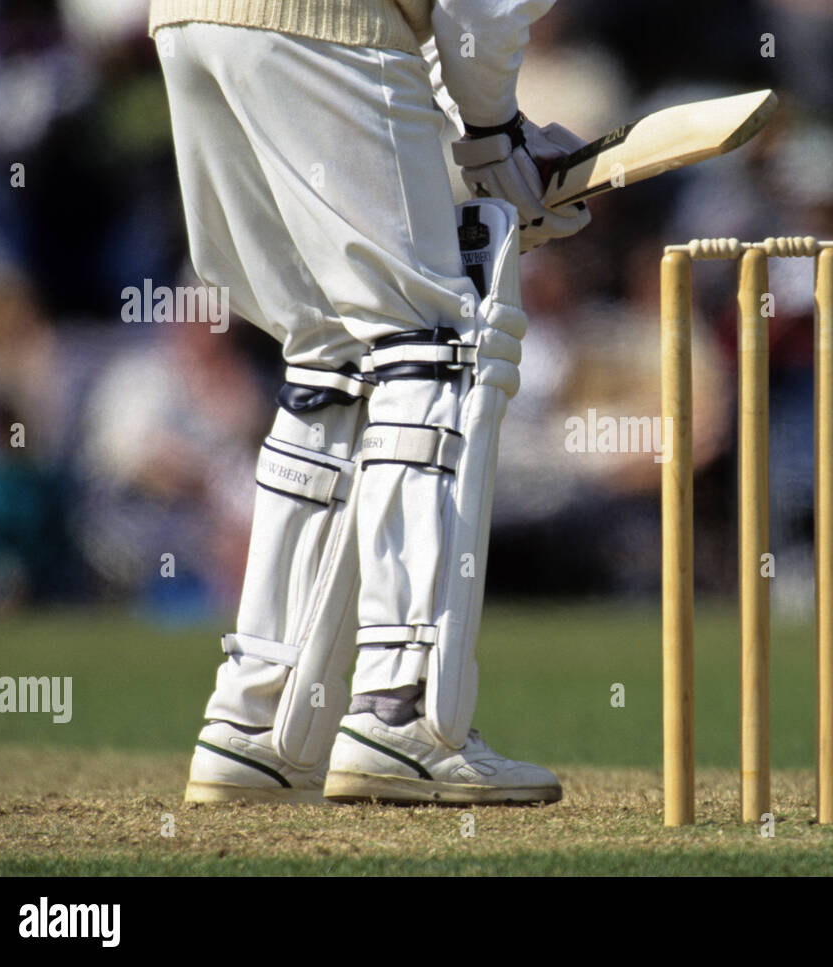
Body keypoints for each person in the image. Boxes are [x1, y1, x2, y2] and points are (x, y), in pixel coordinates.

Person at [149, 0, 590, 805]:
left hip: (189, 23)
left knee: (333, 352)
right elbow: (478, 11)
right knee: (432, 347)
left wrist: (494, 138)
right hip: (328, 21)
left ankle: (257, 723)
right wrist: (498, 140)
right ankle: (405, 712)